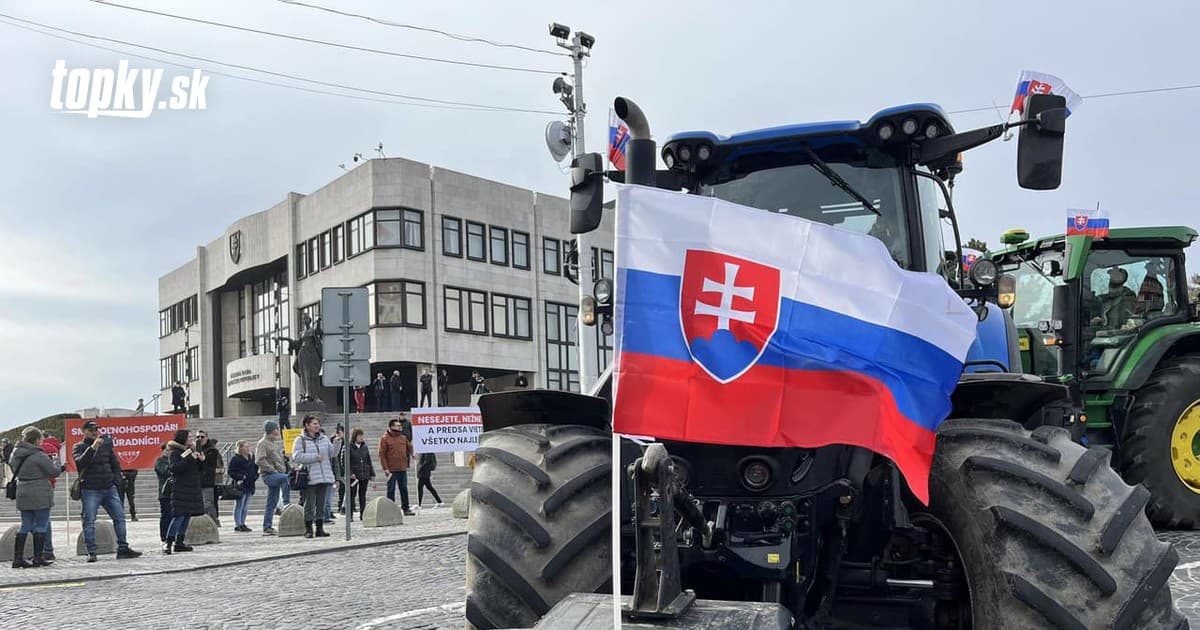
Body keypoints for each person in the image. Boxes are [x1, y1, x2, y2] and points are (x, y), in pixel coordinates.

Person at [73, 421, 142, 562]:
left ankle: (123, 548)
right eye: (91, 430)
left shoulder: (106, 445)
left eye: (96, 429)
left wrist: (116, 481)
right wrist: (93, 448)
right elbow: (80, 463)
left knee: (120, 518)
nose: (95, 432)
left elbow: (115, 463)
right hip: (90, 489)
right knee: (89, 521)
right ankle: (91, 551)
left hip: (109, 488)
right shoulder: (79, 447)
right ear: (84, 431)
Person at [10, 427, 62, 568]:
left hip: (23, 490)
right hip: (39, 492)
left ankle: (18, 558)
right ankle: (38, 558)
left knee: (25, 524)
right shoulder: (39, 455)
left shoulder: (15, 455)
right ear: (37, 440)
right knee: (41, 524)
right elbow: (54, 472)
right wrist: (57, 463)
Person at [290, 415, 340, 538]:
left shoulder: (324, 439)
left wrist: (337, 443)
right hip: (310, 476)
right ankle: (308, 529)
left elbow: (332, 453)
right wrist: (314, 458)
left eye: (318, 423)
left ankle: (319, 528)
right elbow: (296, 456)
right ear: (307, 425)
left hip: (324, 475)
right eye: (314, 423)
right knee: (310, 504)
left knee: (321, 504)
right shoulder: (300, 440)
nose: (317, 426)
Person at [164, 429, 203, 554]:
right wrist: (190, 458)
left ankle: (180, 542)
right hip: (180, 488)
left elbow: (197, 469)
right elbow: (175, 468)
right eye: (189, 437)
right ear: (183, 438)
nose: (191, 439)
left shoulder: (190, 450)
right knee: (178, 516)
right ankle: (168, 542)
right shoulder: (175, 452)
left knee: (187, 515)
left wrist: (201, 460)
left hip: (191, 487)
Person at [256, 420, 289, 535]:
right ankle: (286, 503)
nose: (278, 430)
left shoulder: (272, 443)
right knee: (286, 478)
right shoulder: (263, 443)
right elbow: (259, 460)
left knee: (271, 503)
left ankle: (267, 526)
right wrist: (273, 469)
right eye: (276, 428)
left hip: (275, 474)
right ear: (271, 430)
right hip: (269, 475)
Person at [378, 418, 415, 516]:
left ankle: (406, 508)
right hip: (391, 469)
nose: (400, 427)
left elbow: (409, 447)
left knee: (404, 489)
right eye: (398, 426)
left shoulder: (403, 438)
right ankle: (390, 509)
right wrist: (385, 468)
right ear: (392, 427)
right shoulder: (385, 438)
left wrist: (412, 453)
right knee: (391, 489)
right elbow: (381, 454)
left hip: (402, 467)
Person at [37, 433, 62, 560]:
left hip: (39, 484)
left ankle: (44, 549)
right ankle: (48, 549)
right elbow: (56, 467)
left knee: (40, 518)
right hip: (50, 483)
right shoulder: (54, 448)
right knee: (46, 517)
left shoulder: (41, 448)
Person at [227, 440, 258, 533]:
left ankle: (243, 523)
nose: (248, 448)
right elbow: (231, 471)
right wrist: (241, 476)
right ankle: (238, 524)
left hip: (250, 484)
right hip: (241, 484)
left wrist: (255, 476)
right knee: (239, 504)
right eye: (245, 446)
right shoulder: (236, 458)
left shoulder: (251, 457)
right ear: (240, 448)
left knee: (245, 505)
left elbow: (255, 468)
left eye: (248, 446)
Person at [346, 428, 375, 521]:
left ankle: (363, 514)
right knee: (352, 495)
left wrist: (371, 473)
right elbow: (345, 461)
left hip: (364, 473)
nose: (361, 437)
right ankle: (349, 515)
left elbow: (368, 460)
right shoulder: (349, 447)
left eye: (362, 435)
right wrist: (350, 473)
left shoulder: (364, 447)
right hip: (354, 475)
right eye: (359, 435)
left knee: (362, 495)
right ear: (355, 436)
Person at [197, 431, 223, 527]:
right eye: (198, 437)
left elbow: (210, 464)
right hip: (197, 480)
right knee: (202, 503)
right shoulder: (196, 449)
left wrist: (203, 459)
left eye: (202, 437)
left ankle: (213, 521)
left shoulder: (212, 450)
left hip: (209, 480)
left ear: (207, 437)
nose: (200, 439)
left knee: (208, 503)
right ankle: (205, 522)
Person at [154, 442, 173, 546]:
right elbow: (165, 471)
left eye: (170, 450)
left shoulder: (173, 459)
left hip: (175, 492)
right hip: (165, 492)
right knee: (166, 515)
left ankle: (172, 535)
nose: (169, 452)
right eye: (167, 450)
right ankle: (164, 536)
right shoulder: (160, 461)